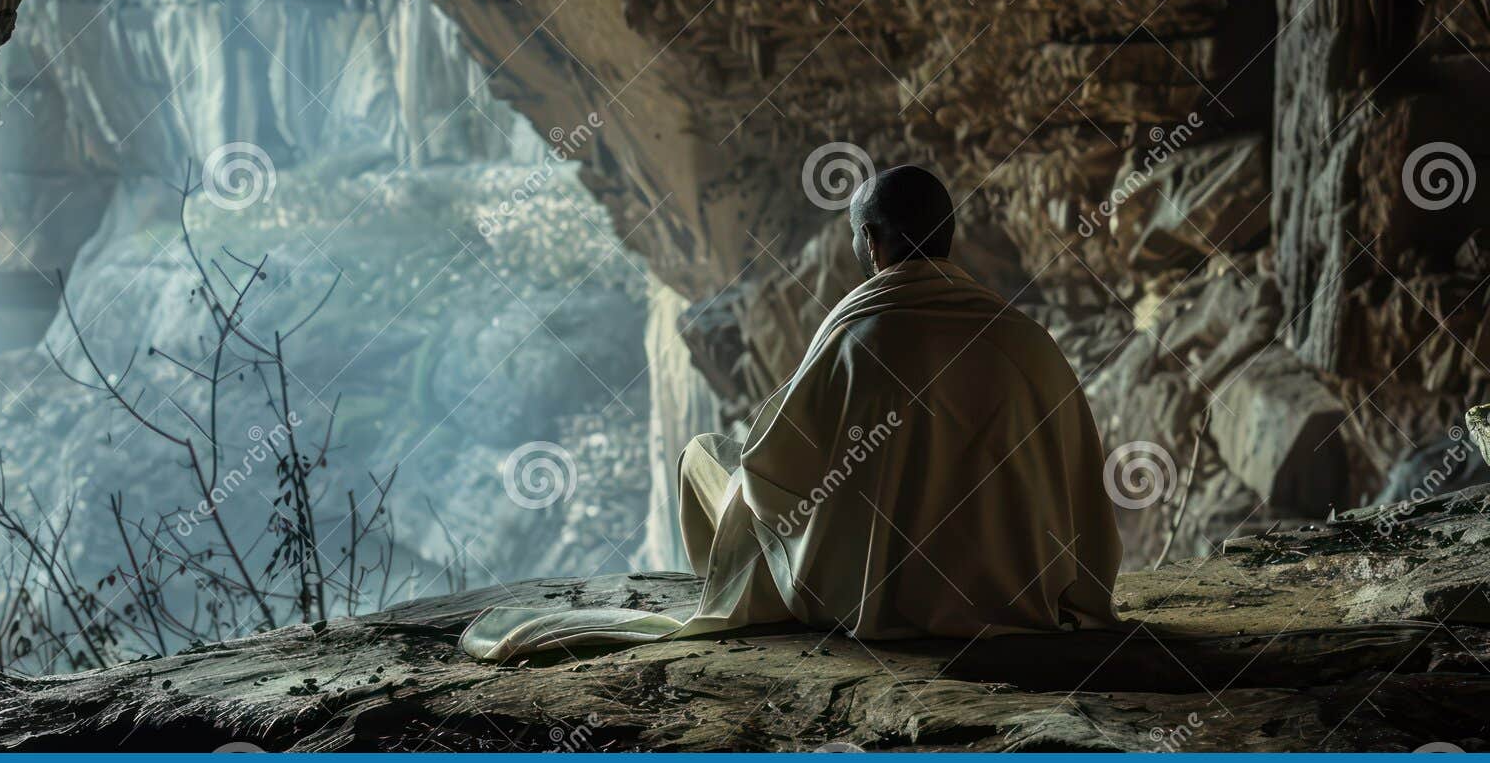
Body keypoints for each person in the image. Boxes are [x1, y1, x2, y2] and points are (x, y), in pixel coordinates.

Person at [460, 165, 1122, 661]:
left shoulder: (861, 333)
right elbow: (1081, 485)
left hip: (868, 602)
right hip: (1016, 596)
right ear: (948, 235)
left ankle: (739, 600)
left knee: (704, 456)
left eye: (862, 238)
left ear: (872, 241)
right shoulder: (1025, 340)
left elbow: (775, 476)